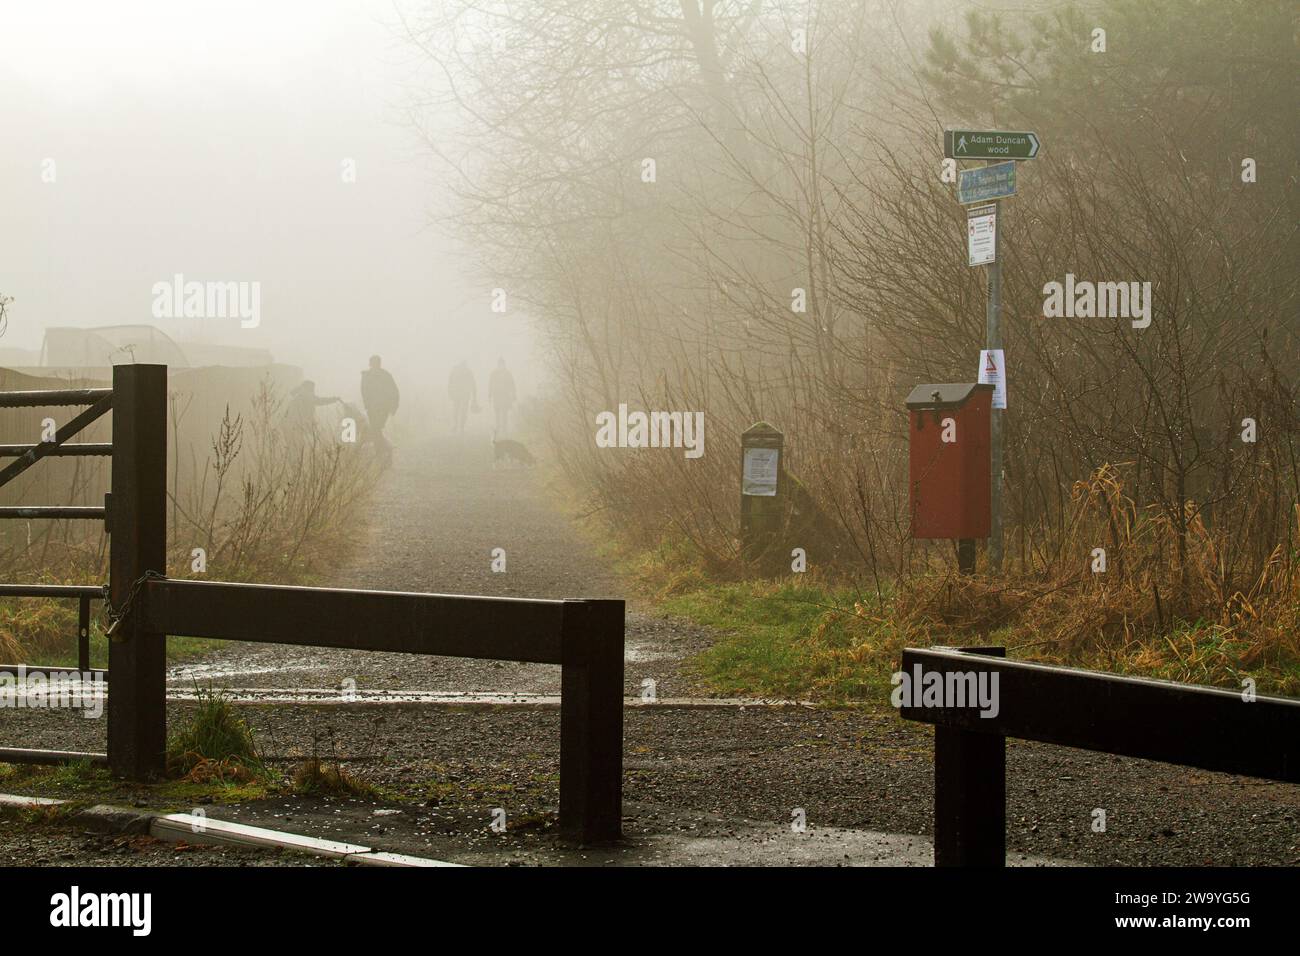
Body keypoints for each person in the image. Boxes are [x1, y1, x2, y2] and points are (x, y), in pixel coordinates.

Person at [360, 355, 400, 439]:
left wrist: (394, 407)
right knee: (376, 429)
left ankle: (380, 445)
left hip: (383, 408)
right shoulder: (366, 376)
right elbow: (364, 391)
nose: (375, 366)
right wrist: (367, 404)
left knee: (377, 428)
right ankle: (380, 445)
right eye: (373, 364)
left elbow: (394, 392)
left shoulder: (385, 376)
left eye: (376, 363)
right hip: (372, 408)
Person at [488, 358, 517, 435]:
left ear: (504, 364)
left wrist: (514, 394)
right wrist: (490, 395)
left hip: (505, 396)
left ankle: (504, 429)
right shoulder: (494, 374)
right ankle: (498, 427)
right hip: (496, 396)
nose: (501, 366)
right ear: (498, 364)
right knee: (497, 412)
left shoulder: (507, 373)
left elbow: (512, 384)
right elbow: (490, 384)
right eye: (500, 364)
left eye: (502, 364)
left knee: (504, 413)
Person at [448, 360, 477, 435]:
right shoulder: (468, 371)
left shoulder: (455, 370)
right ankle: (460, 427)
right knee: (462, 411)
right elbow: (473, 384)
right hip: (463, 394)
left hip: (458, 394)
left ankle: (456, 426)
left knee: (456, 410)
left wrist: (450, 392)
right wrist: (474, 397)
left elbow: (450, 382)